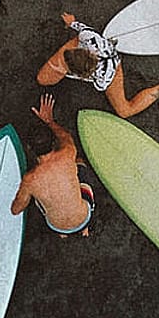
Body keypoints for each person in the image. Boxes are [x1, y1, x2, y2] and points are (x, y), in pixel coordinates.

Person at [35, 12, 159, 118]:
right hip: (107, 56)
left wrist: (60, 69)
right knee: (45, 78)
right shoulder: (89, 38)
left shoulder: (102, 80)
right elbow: (84, 29)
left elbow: (99, 84)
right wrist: (72, 22)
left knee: (125, 111)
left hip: (112, 72)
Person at [11, 94, 95, 238]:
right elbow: (66, 137)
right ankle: (84, 229)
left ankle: (63, 234)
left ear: (30, 149)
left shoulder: (30, 179)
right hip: (83, 217)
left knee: (39, 200)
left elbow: (16, 210)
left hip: (56, 226)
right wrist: (49, 121)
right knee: (80, 162)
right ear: (53, 142)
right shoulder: (68, 153)